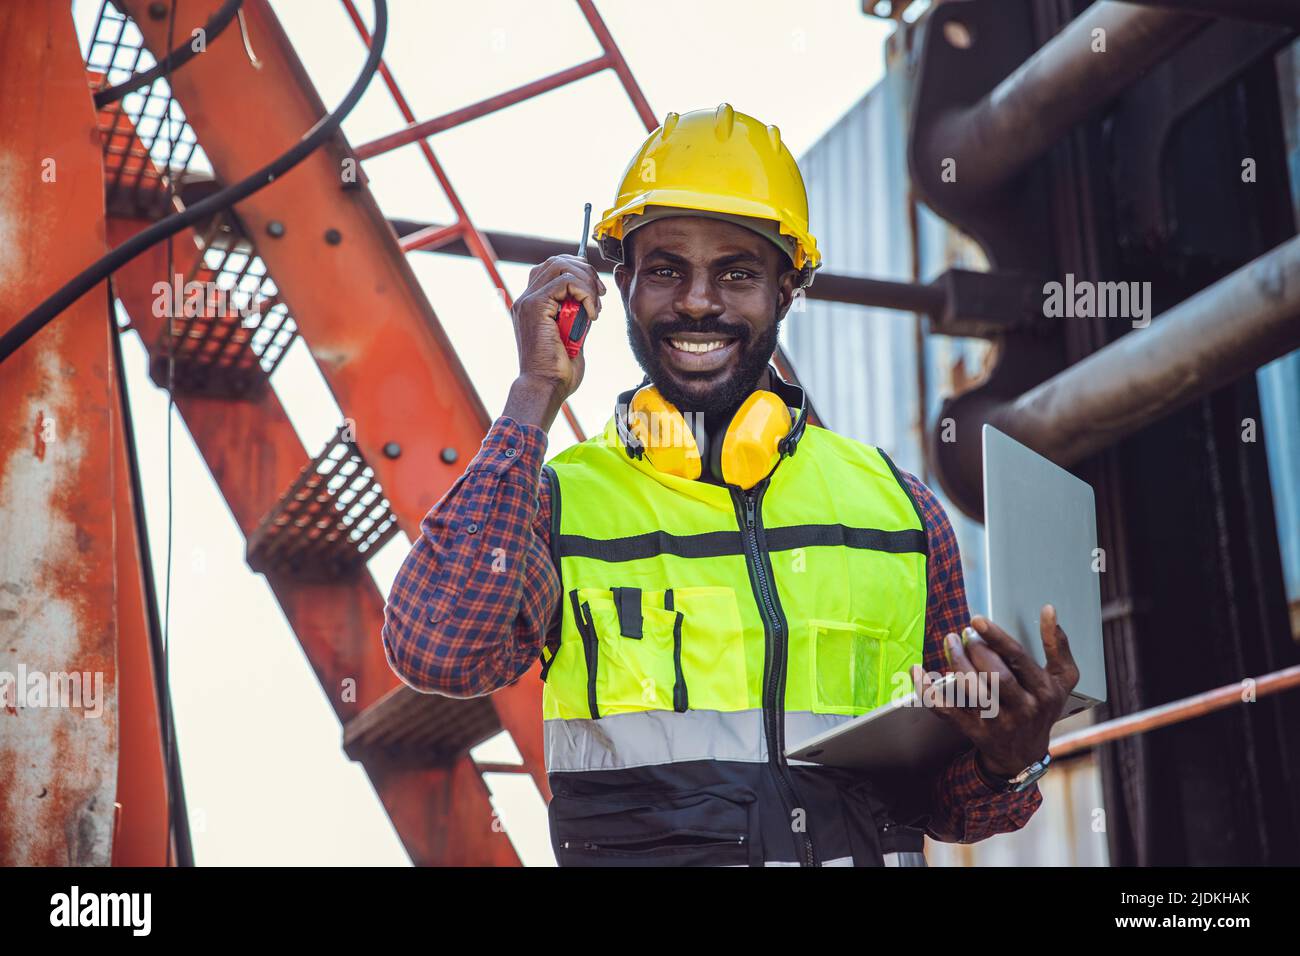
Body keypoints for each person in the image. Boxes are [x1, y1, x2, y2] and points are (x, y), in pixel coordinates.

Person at [382, 103, 1080, 866]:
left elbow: (948, 808)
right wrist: (533, 395)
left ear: (786, 291)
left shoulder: (898, 510)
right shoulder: (559, 506)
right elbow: (439, 652)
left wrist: (1008, 757)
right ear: (621, 286)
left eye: (737, 273)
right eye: (666, 269)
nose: (697, 302)